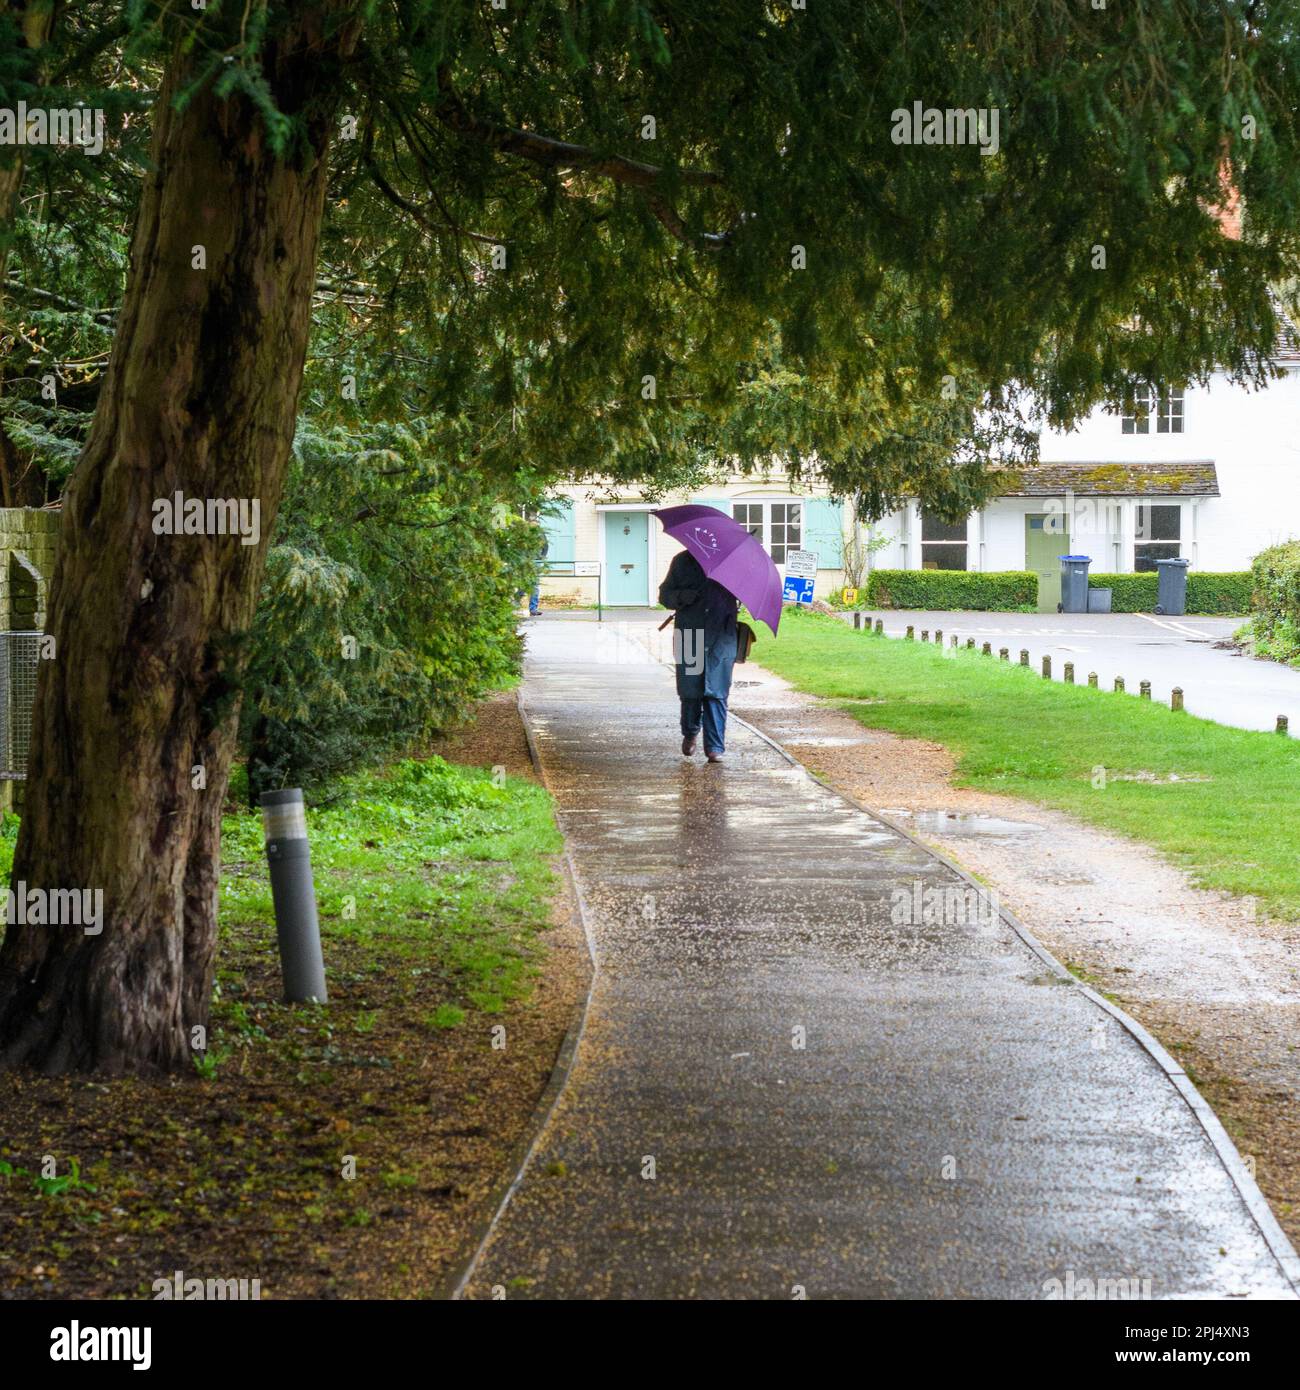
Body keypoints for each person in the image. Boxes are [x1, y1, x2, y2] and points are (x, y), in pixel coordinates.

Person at [658, 549, 738, 763]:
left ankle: (714, 746)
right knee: (690, 690)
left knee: (717, 691)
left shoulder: (733, 564)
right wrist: (684, 596)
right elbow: (664, 595)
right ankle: (690, 731)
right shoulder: (682, 561)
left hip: (721, 636)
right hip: (689, 634)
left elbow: (750, 594)